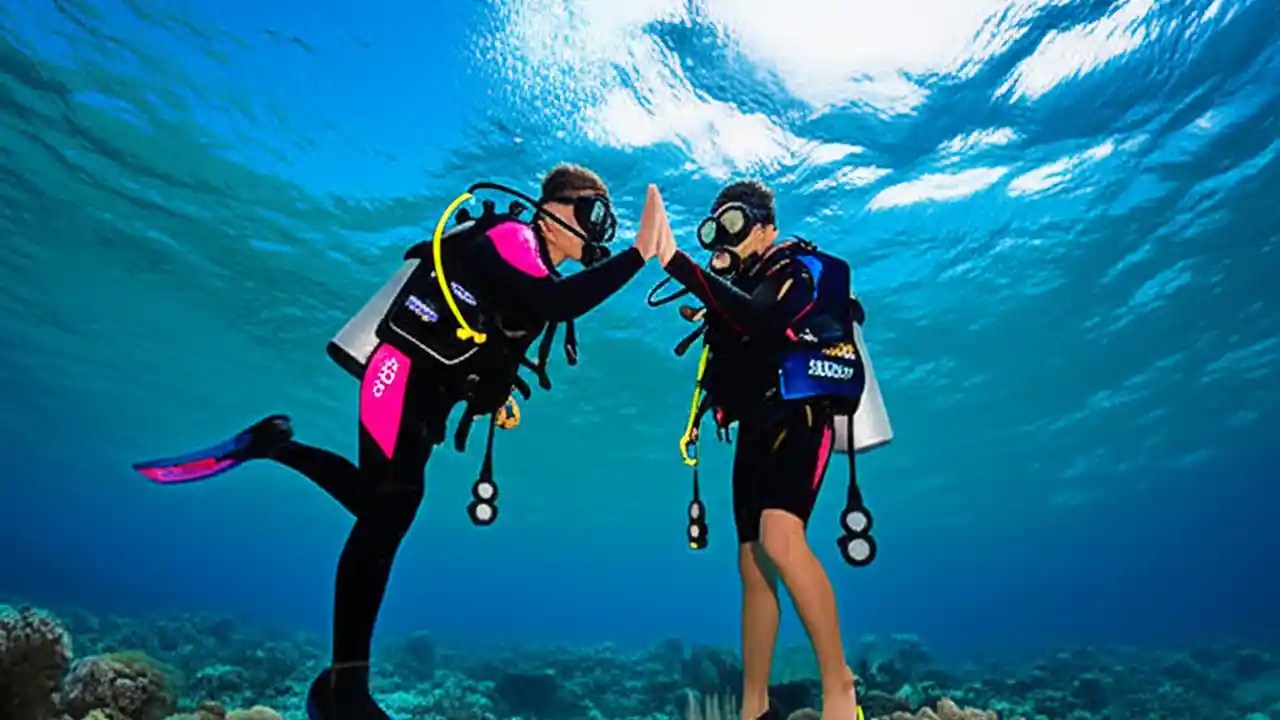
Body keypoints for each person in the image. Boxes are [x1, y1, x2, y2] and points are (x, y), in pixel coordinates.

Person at [133, 166, 673, 720]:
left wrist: (497, 399)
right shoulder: (512, 238)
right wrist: (637, 252)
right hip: (396, 376)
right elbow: (555, 305)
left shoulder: (534, 269)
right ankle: (344, 689)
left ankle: (271, 445)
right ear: (555, 208)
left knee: (381, 503)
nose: (597, 228)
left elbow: (495, 341)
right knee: (386, 512)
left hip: (423, 399)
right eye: (593, 212)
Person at [652, 180, 864, 720]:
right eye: (714, 226)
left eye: (734, 223)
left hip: (801, 410)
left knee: (780, 538)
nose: (722, 236)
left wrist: (678, 261)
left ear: (766, 228)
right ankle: (753, 707)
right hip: (755, 424)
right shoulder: (734, 291)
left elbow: (766, 319)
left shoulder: (794, 271)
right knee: (751, 562)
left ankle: (840, 689)